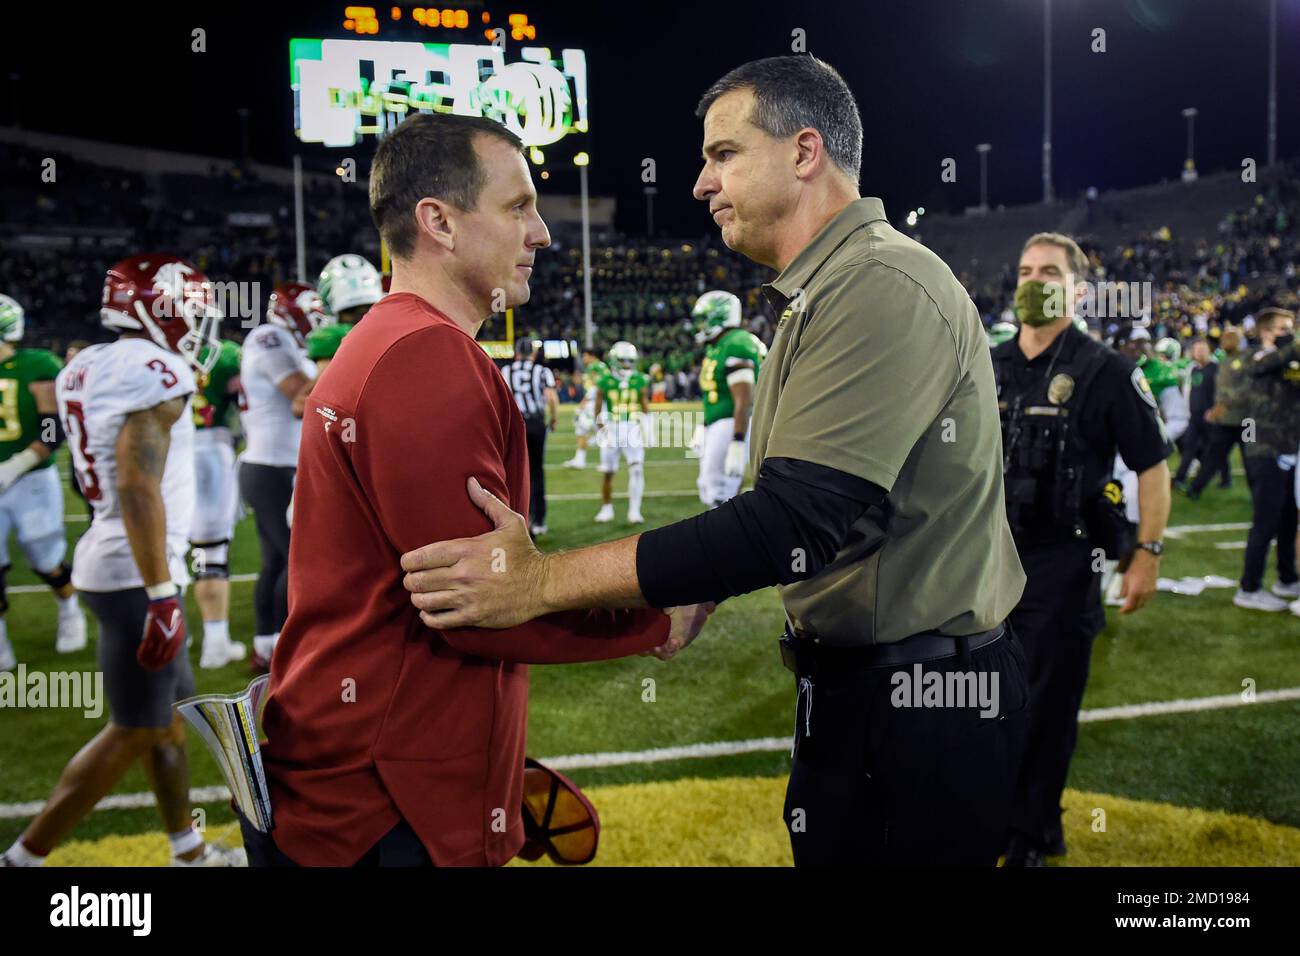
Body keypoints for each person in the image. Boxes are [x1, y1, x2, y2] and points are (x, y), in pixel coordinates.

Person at [400, 55, 1030, 867]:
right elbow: (803, 513)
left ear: (805, 152)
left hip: (921, 698)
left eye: (723, 154)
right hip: (868, 687)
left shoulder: (878, 281)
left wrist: (538, 582)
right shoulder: (826, 287)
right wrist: (703, 586)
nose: (701, 182)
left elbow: (789, 523)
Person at [251, 112, 691, 868]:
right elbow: (477, 606)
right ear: (440, 222)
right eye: (517, 206)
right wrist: (655, 619)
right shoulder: (426, 356)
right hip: (386, 804)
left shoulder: (389, 341)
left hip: (367, 776)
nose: (542, 233)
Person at [4, 255, 242, 867]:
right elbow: (138, 485)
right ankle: (24, 857)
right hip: (135, 573)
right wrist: (162, 592)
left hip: (118, 560)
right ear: (155, 307)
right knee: (136, 726)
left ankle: (186, 850)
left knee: (165, 723)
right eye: (187, 306)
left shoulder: (86, 363)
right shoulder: (154, 370)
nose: (195, 319)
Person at [993, 233, 1172, 866]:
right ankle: (997, 820)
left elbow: (1151, 467)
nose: (1032, 281)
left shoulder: (1108, 371)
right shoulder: (988, 364)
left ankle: (1034, 834)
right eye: (1024, 269)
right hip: (987, 564)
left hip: (1064, 563)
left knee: (1045, 708)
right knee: (982, 702)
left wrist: (1146, 550)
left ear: (1079, 289)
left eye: (1048, 271)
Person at [236, 283, 322, 670]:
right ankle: (290, 644)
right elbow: (299, 398)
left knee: (274, 560)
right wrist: (342, 358)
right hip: (271, 465)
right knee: (297, 557)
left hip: (274, 463)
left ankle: (266, 646)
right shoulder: (269, 337)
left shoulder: (286, 341)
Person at [0, 293, 85, 672]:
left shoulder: (36, 365)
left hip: (30, 478)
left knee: (45, 557)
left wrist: (17, 463)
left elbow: (53, 428)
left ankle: (69, 608)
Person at [1232, 306, 1299, 612]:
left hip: (1286, 449)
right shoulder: (1254, 356)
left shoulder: (1287, 360)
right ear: (1266, 332)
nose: (1290, 334)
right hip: (1264, 449)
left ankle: (1286, 578)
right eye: (1284, 329)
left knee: (1287, 520)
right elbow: (1267, 365)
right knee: (1265, 522)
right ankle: (1249, 587)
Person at [188, 335, 246, 668]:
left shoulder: (152, 351)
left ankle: (173, 634)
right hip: (210, 451)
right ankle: (215, 642)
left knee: (165, 549)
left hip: (161, 453)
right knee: (210, 552)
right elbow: (246, 402)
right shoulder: (223, 355)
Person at [690, 290, 766, 508]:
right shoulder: (719, 345)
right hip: (721, 422)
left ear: (719, 315)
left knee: (719, 492)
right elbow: (717, 392)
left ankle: (727, 539)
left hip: (733, 423)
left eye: (704, 319)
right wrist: (704, 424)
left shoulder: (736, 343)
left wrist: (737, 441)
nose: (701, 325)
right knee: (711, 487)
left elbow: (744, 399)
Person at [502, 336, 558, 536]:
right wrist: (553, 419)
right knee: (536, 471)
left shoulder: (507, 371)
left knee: (514, 473)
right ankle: (539, 520)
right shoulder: (542, 371)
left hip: (516, 425)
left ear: (516, 353)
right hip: (536, 423)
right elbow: (552, 398)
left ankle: (516, 520)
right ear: (532, 354)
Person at [594, 341, 650, 525]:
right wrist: (600, 430)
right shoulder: (605, 380)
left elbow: (644, 405)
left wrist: (648, 429)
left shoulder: (640, 379)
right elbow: (597, 409)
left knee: (636, 469)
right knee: (608, 472)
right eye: (623, 360)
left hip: (632, 426)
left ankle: (635, 510)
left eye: (630, 360)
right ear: (615, 360)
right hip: (612, 427)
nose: (627, 364)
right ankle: (606, 508)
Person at [1172, 338, 1218, 490]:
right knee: (1188, 447)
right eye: (1197, 350)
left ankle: (1225, 478)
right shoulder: (1191, 368)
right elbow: (1188, 390)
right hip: (1194, 417)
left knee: (1215, 449)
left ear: (1208, 351)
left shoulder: (1216, 367)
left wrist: (1216, 411)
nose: (1199, 353)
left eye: (1202, 350)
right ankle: (1180, 478)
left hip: (1212, 417)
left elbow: (1221, 393)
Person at [562, 348, 608, 469]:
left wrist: (585, 400)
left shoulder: (596, 367)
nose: (583, 359)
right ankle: (580, 459)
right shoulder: (599, 367)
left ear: (591, 356)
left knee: (599, 431)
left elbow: (597, 387)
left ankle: (604, 462)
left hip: (595, 403)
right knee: (583, 429)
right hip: (595, 403)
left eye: (585, 356)